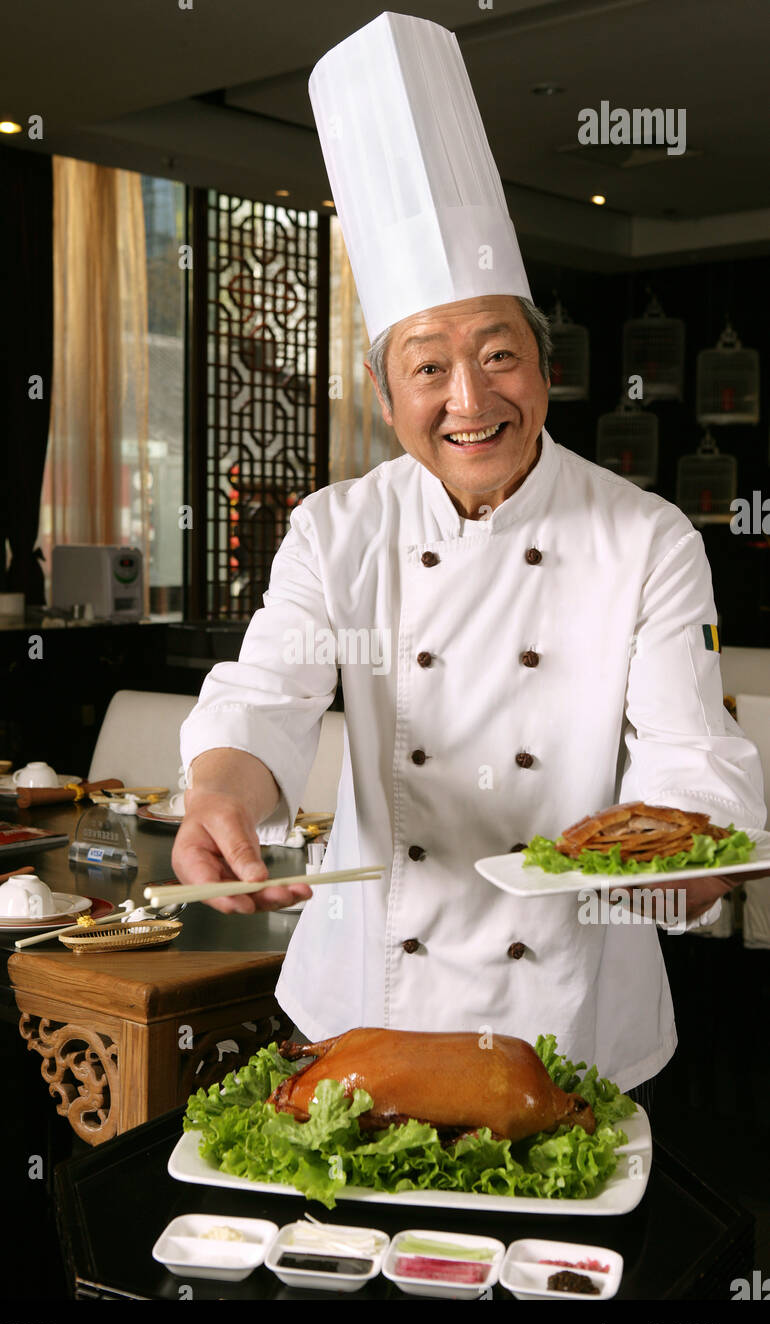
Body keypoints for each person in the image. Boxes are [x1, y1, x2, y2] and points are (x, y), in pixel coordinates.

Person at [171, 13, 766, 1096]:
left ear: (543, 364)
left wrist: (692, 864)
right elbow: (266, 696)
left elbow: (688, 748)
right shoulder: (335, 528)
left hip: (571, 1005)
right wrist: (220, 794)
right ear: (385, 394)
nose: (469, 399)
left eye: (499, 354)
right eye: (429, 366)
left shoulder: (645, 537)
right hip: (361, 1005)